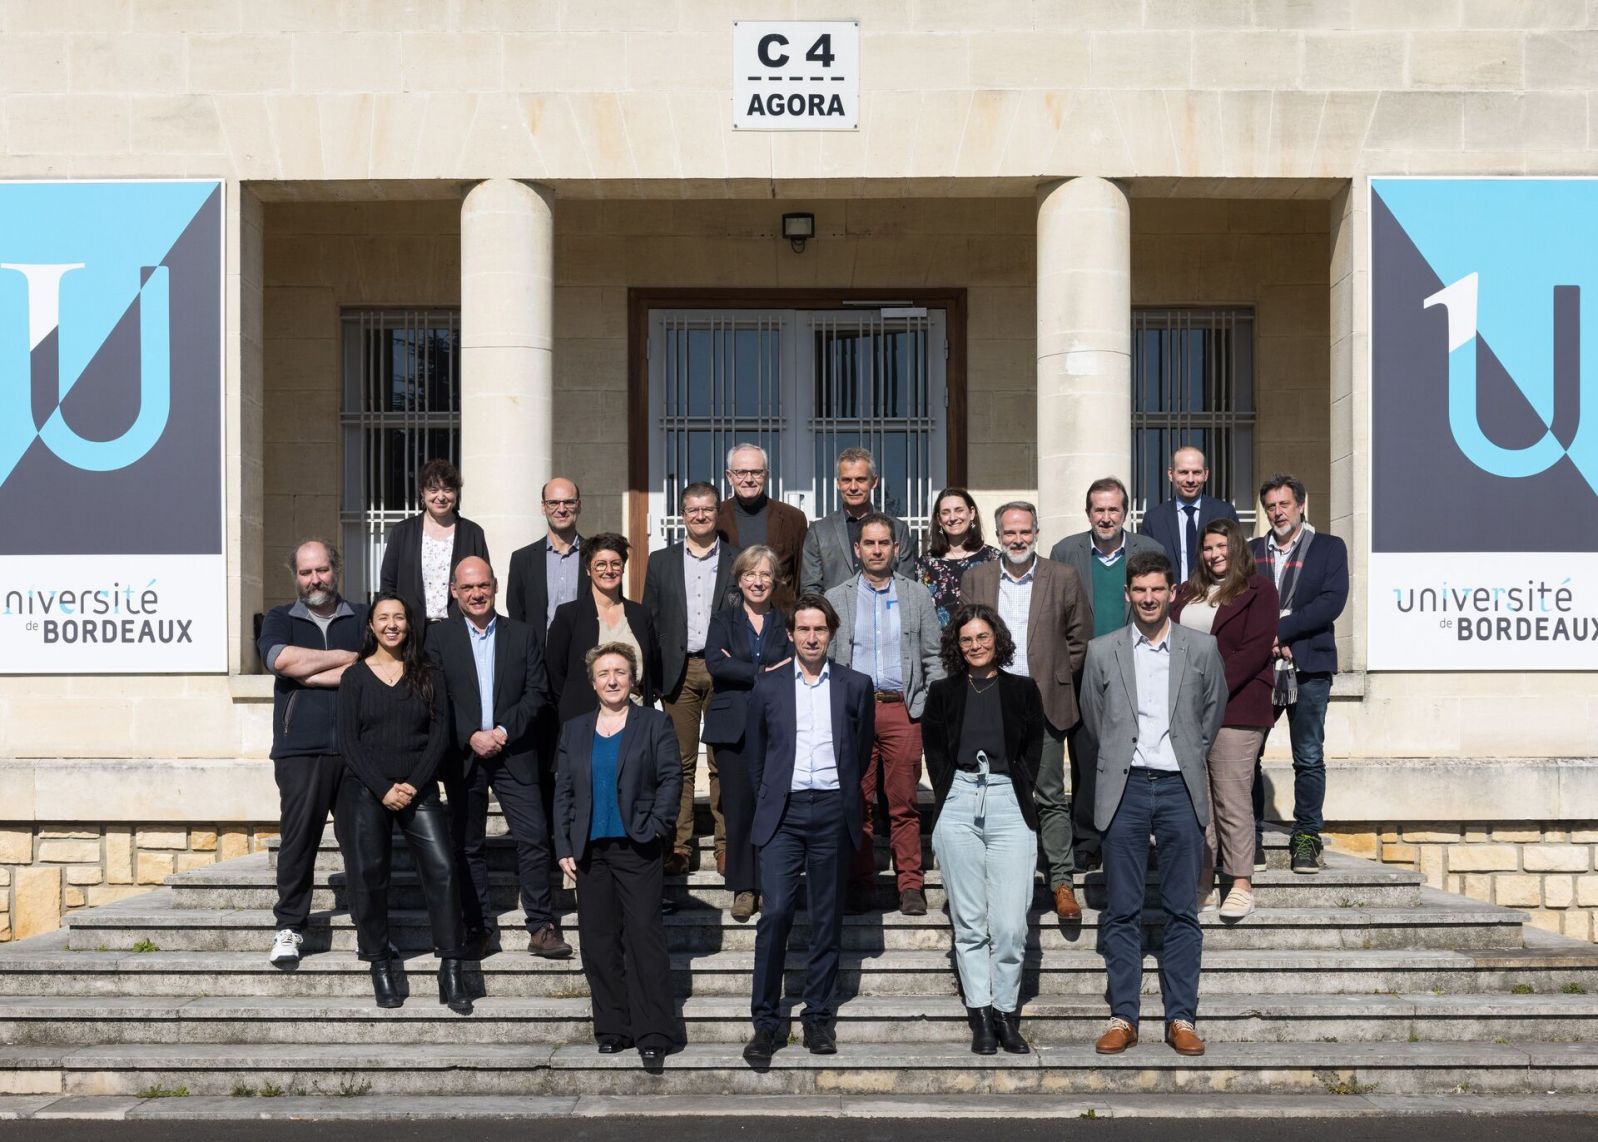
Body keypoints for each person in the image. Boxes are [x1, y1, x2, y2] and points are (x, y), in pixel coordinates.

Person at [1080, 551, 1226, 1058]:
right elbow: (1095, 720)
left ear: (1171, 594)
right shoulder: (1103, 651)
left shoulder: (1202, 649)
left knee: (1182, 909)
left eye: (1157, 590)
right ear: (1128, 593)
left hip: (1179, 787)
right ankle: (1124, 1016)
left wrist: (1182, 753)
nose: (1148, 598)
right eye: (1139, 590)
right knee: (1122, 910)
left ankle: (1181, 1018)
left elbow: (1212, 713)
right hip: (1125, 788)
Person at [741, 595, 874, 1063]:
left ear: (831, 633)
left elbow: (859, 749)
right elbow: (756, 755)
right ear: (791, 635)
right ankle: (764, 1024)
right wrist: (772, 798)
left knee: (825, 919)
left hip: (832, 812)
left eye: (820, 630)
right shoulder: (769, 685)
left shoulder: (856, 685)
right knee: (775, 913)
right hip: (784, 813)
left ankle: (818, 1017)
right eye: (803, 630)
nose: (812, 638)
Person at [427, 556, 570, 960]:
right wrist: (471, 734)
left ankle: (541, 926)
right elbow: (437, 697)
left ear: (494, 586)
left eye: (483, 586)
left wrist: (502, 732)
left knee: (534, 838)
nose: (477, 594)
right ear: (454, 591)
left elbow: (537, 693)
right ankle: (479, 928)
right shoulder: (438, 639)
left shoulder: (522, 635)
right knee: (467, 845)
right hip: (464, 754)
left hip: (515, 752)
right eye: (467, 587)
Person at [336, 592, 472, 1015]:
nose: (392, 624)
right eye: (383, 618)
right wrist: (382, 788)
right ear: (371, 626)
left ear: (410, 625)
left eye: (399, 617)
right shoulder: (355, 677)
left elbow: (440, 735)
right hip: (366, 789)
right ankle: (379, 962)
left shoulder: (428, 674)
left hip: (419, 787)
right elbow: (348, 742)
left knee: (444, 869)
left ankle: (452, 968)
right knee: (369, 873)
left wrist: (412, 785)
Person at [554, 643, 683, 1072]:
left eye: (621, 672)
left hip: (637, 846)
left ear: (633, 680)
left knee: (644, 940)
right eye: (604, 673)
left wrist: (658, 826)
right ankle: (613, 1028)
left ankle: (654, 1033)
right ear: (592, 682)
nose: (612, 680)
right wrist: (564, 845)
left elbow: (671, 779)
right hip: (591, 851)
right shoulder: (574, 730)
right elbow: (564, 793)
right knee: (598, 942)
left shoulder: (654, 724)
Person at [959, 502, 1091, 920]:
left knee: (1050, 795)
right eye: (1010, 533)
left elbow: (1079, 638)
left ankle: (1062, 882)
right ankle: (991, 881)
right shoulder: (976, 578)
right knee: (991, 793)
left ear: (1037, 533)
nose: (1018, 539)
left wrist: (1052, 675)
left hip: (1045, 703)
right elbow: (964, 635)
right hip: (990, 702)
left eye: (1025, 532)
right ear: (998, 536)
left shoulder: (1063, 578)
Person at [922, 604, 1043, 1056]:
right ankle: (982, 1018)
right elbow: (934, 751)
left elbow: (1033, 747)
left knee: (1010, 924)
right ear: (958, 645)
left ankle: (1007, 1014)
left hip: (1009, 802)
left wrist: (1017, 787)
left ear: (998, 640)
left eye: (983, 637)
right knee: (970, 923)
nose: (975, 645)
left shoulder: (1023, 690)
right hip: (958, 804)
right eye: (967, 639)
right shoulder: (943, 691)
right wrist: (950, 791)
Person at [825, 512, 943, 916]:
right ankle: (860, 881)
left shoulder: (916, 595)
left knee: (904, 801)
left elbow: (933, 656)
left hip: (901, 709)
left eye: (884, 543)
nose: (876, 550)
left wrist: (927, 706)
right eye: (869, 543)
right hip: (853, 714)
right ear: (857, 550)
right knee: (856, 800)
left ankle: (910, 884)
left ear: (896, 548)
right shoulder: (836, 597)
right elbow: (824, 657)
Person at [1048, 476, 1166, 872]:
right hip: (1084, 668)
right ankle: (1088, 838)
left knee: (1135, 752)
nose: (1106, 516)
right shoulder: (1066, 552)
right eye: (1098, 509)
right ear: (1088, 513)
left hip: (1139, 666)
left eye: (1113, 509)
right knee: (1087, 754)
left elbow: (1165, 602)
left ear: (1125, 512)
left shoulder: (1149, 550)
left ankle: (1129, 833)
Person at [257, 540, 365, 967]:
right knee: (299, 840)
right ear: (296, 577)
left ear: (334, 570)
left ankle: (370, 928)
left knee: (361, 842)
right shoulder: (280, 618)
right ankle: (289, 927)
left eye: (321, 570)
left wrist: (310, 670)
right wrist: (341, 659)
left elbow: (370, 671)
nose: (314, 579)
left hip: (358, 749)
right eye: (305, 573)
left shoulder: (361, 617)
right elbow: (282, 662)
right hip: (299, 749)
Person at [1171, 521, 1279, 920]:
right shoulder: (1185, 592)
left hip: (1236, 708)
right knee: (1196, 798)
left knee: (1231, 796)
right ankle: (1203, 881)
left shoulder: (1259, 591)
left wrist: (1209, 691)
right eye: (1207, 548)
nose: (1214, 554)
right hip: (1187, 710)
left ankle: (1239, 882)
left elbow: (1253, 652)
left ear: (1236, 548)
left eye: (1222, 546)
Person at [1247, 473, 1349, 876]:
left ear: (1301, 505)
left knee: (1307, 756)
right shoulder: (1252, 550)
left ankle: (1306, 837)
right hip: (1259, 668)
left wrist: (1281, 631)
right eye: (1270, 506)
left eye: (1284, 504)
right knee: (1246, 753)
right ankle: (1246, 835)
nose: (1277, 512)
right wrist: (1264, 639)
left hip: (1309, 667)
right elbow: (1240, 600)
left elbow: (1331, 601)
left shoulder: (1328, 548)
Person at [644, 481, 739, 877]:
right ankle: (678, 846)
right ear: (682, 515)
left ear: (718, 513)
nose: (700, 516)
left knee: (723, 763)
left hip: (723, 671)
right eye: (692, 510)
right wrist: (649, 677)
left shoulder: (737, 560)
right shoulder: (661, 561)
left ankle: (726, 845)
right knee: (678, 764)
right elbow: (649, 619)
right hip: (677, 672)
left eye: (707, 509)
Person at [703, 545, 794, 924]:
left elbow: (793, 665)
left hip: (774, 725)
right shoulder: (723, 620)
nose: (758, 582)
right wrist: (763, 672)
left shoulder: (786, 620)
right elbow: (716, 663)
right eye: (750, 575)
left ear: (775, 581)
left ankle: (771, 882)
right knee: (738, 807)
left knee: (771, 805)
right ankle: (743, 887)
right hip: (732, 727)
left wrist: (744, 667)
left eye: (765, 575)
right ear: (739, 580)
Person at [546, 533, 662, 724]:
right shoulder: (568, 615)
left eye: (615, 563)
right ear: (588, 569)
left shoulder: (641, 615)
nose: (609, 570)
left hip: (637, 720)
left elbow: (653, 667)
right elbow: (555, 674)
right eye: (600, 564)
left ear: (623, 567)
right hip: (585, 720)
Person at [378, 458, 490, 625]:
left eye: (448, 490)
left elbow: (484, 582)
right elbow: (388, 585)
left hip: (459, 628)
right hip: (411, 630)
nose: (441, 497)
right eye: (433, 490)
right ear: (422, 493)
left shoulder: (472, 533)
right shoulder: (402, 532)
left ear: (456, 493)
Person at [799, 447, 915, 594]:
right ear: (838, 483)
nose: (853, 487)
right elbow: (811, 589)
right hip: (834, 615)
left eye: (860, 479)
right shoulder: (819, 531)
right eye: (846, 480)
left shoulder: (899, 529)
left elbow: (907, 586)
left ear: (874, 482)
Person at [716, 442, 808, 597]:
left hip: (780, 616)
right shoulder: (716, 518)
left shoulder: (793, 518)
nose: (749, 479)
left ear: (766, 475)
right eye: (741, 472)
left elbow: (802, 577)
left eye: (756, 472)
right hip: (729, 616)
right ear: (729, 477)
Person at [506, 476, 588, 646]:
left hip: (586, 657)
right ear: (543, 507)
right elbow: (517, 616)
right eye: (553, 503)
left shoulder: (596, 556)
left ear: (579, 506)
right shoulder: (522, 560)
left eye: (569, 502)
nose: (562, 509)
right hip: (539, 659)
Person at [1138, 447, 1241, 582]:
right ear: (1171, 474)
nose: (1190, 479)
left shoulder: (1224, 513)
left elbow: (1238, 559)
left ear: (1206, 474)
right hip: (1171, 600)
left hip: (1216, 597)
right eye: (1183, 472)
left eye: (1197, 472)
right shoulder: (1154, 519)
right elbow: (1146, 567)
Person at [916, 486, 999, 629]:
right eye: (946, 512)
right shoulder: (925, 563)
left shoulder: (994, 559)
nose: (953, 518)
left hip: (983, 646)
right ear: (939, 519)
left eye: (959, 510)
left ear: (971, 513)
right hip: (939, 648)